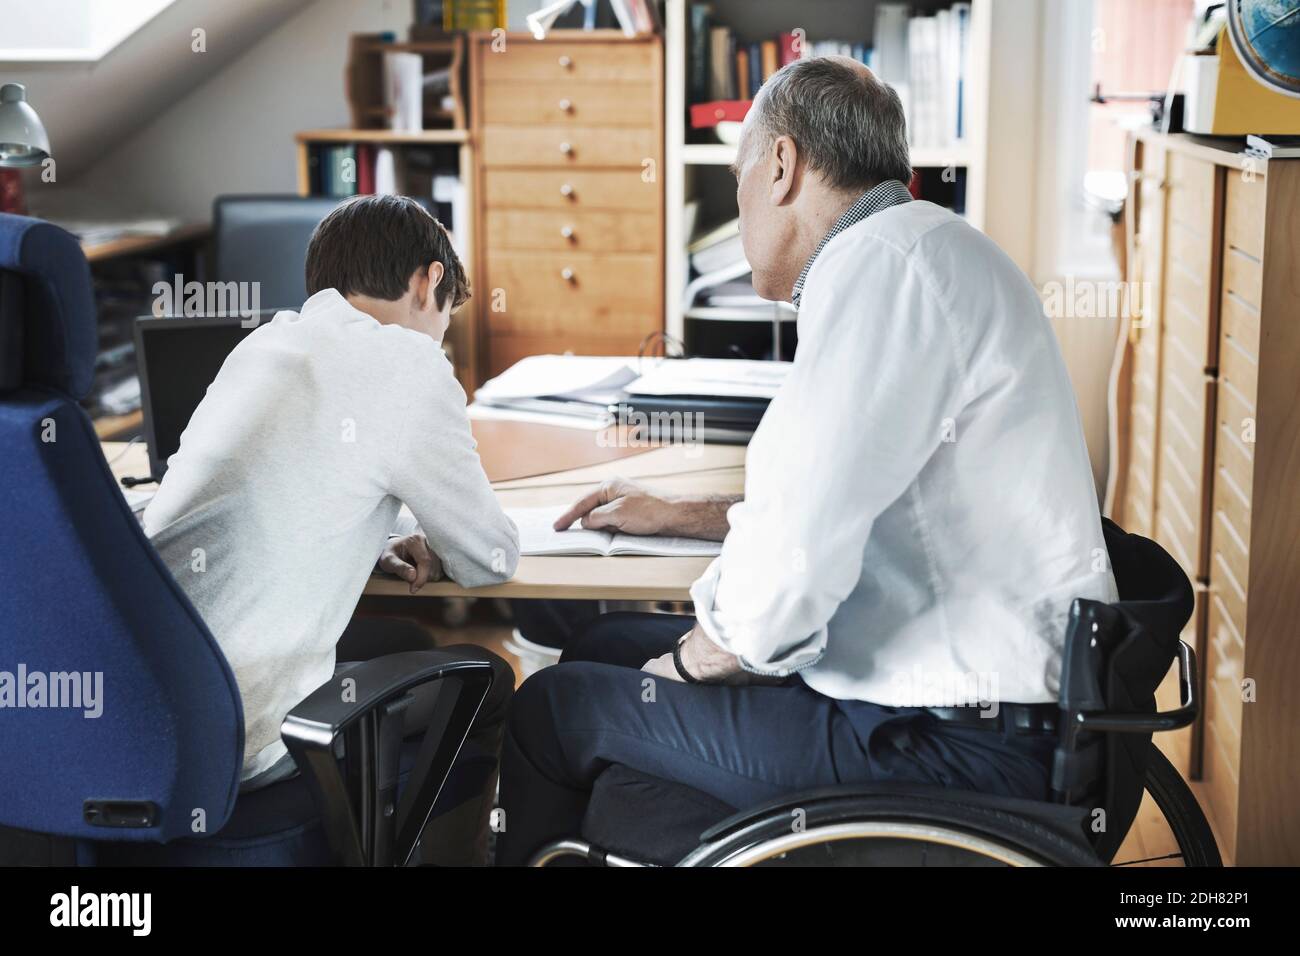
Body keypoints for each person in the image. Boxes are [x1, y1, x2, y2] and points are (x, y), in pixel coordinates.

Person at [495, 56, 1117, 865]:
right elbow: (861, 494)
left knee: (556, 707)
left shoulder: (881, 268)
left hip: (947, 743)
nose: (740, 201)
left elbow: (783, 583)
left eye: (739, 176)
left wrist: (687, 661)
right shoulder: (921, 251)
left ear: (781, 166)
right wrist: (684, 518)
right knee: (604, 649)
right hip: (965, 699)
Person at [143, 194, 519, 863]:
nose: (440, 339)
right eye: (445, 320)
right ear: (427, 280)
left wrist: (368, 536)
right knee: (488, 677)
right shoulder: (406, 362)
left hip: (147, 706)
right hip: (241, 737)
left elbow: (283, 485)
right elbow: (489, 556)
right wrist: (436, 540)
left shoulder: (264, 344)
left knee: (404, 639)